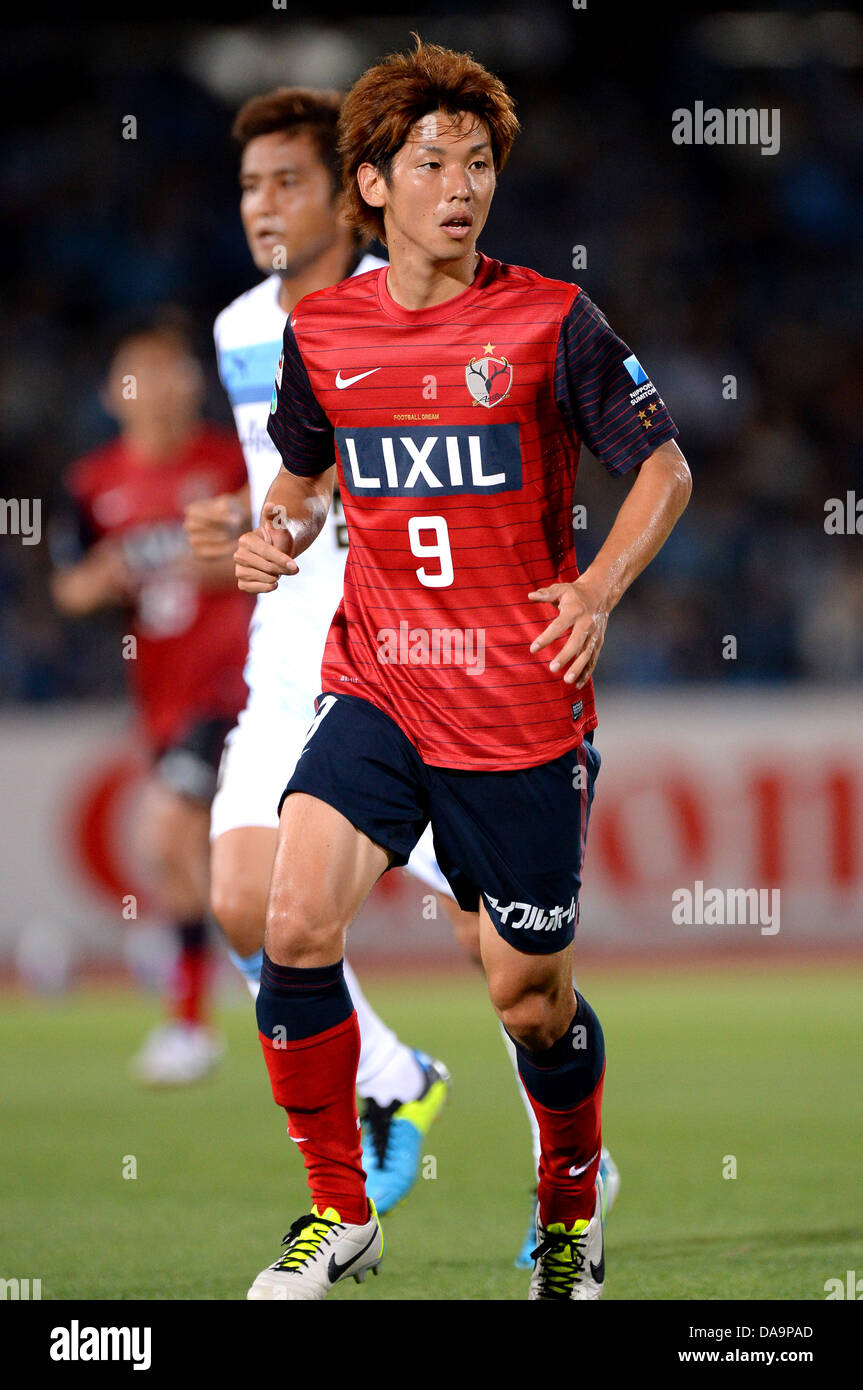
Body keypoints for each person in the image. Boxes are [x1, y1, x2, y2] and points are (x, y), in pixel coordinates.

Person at [186, 84, 620, 1246]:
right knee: (254, 901)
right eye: (248, 185)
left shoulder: (507, 315)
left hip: (476, 676)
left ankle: (571, 1167)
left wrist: (589, 589)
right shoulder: (249, 330)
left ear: (348, 193)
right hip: (322, 663)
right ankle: (379, 1113)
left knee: (517, 973)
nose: (265, 206)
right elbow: (288, 469)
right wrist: (240, 527)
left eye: (288, 182)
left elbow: (642, 460)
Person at [51, 321, 252, 1085]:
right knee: (192, 854)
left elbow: (279, 549)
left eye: (168, 373)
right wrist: (98, 581)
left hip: (231, 687)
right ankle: (219, 996)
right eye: (136, 376)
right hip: (160, 698)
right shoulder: (94, 482)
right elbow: (69, 585)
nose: (154, 389)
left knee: (164, 831)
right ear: (112, 393)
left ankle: (207, 1010)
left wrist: (219, 568)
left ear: (191, 384)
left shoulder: (228, 463)